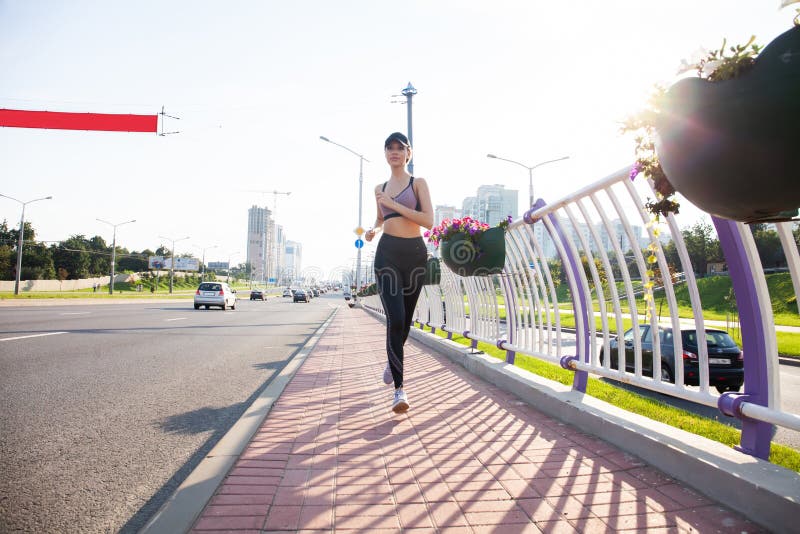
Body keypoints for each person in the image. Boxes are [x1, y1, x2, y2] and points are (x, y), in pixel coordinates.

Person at [364, 132, 433, 414]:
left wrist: (394, 205)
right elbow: (381, 218)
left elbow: (428, 221)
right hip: (387, 255)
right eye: (389, 148)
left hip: (415, 255)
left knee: (405, 324)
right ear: (385, 153)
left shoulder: (418, 183)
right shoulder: (379, 188)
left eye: (399, 148)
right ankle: (399, 391)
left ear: (408, 153)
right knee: (395, 320)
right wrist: (374, 229)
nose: (394, 152)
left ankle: (393, 361)